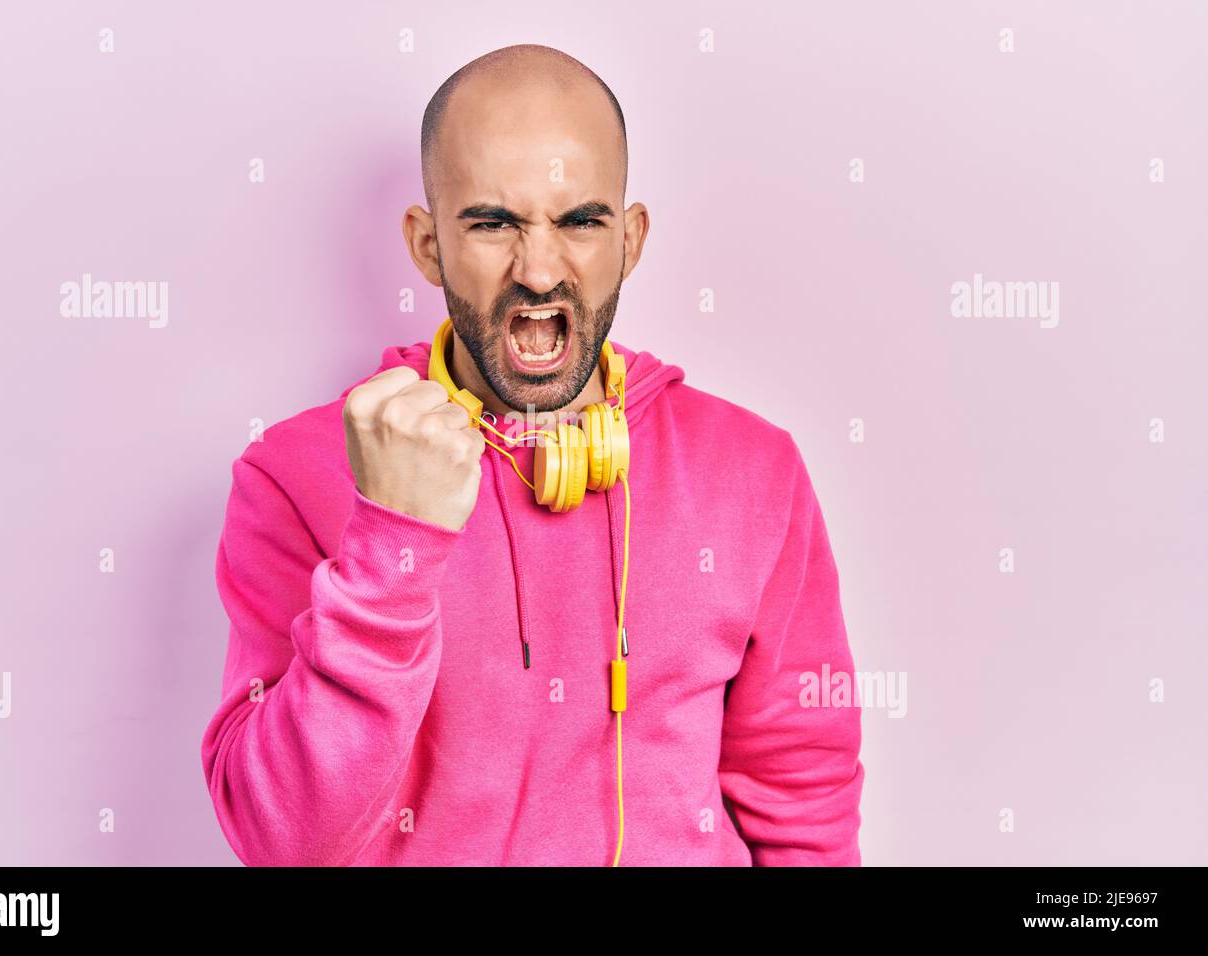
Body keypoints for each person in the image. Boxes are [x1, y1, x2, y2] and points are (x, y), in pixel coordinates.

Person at [200, 43, 864, 866]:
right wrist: (389, 552)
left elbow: (803, 794)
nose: (540, 270)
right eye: (491, 223)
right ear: (428, 244)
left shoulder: (753, 470)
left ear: (630, 239)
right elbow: (283, 839)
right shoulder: (293, 475)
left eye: (580, 221)